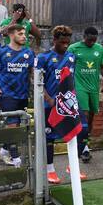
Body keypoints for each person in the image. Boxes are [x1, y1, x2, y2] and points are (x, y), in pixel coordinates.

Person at [0, 24, 36, 167]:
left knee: (17, 124)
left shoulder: (29, 53)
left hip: (23, 95)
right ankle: (16, 159)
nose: (24, 36)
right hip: (6, 95)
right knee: (12, 125)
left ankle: (4, 151)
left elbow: (31, 72)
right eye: (20, 34)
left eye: (24, 34)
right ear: (11, 35)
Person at [37, 26, 77, 183]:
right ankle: (50, 170)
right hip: (50, 106)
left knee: (72, 134)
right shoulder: (44, 57)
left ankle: (73, 168)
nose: (66, 45)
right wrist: (49, 99)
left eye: (68, 42)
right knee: (50, 137)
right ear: (54, 41)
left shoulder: (72, 57)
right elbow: (37, 82)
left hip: (68, 105)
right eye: (62, 42)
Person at [66, 25, 103, 163]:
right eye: (90, 40)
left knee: (90, 117)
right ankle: (83, 148)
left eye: (94, 40)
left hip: (93, 88)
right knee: (83, 115)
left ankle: (85, 143)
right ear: (84, 37)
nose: (92, 43)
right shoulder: (73, 48)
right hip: (79, 87)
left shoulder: (99, 49)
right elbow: (66, 66)